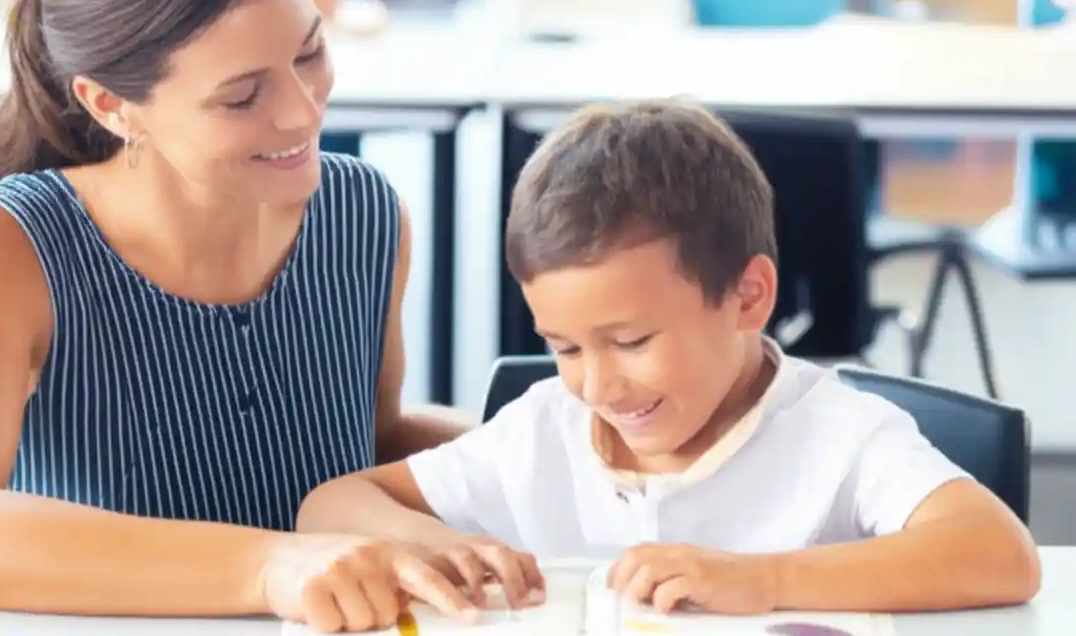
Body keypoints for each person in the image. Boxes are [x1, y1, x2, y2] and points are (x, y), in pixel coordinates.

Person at [0, 0, 473, 632]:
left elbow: (365, 439)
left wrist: (555, 431)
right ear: (112, 106)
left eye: (309, 54)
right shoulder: (0, 241)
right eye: (242, 97)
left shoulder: (362, 209)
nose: (302, 112)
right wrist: (272, 566)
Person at [298, 100, 1042, 615]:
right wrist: (444, 546)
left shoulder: (842, 434)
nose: (596, 383)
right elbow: (330, 505)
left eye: (631, 342)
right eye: (562, 346)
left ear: (749, 298)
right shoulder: (543, 429)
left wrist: (767, 580)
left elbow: (1001, 554)